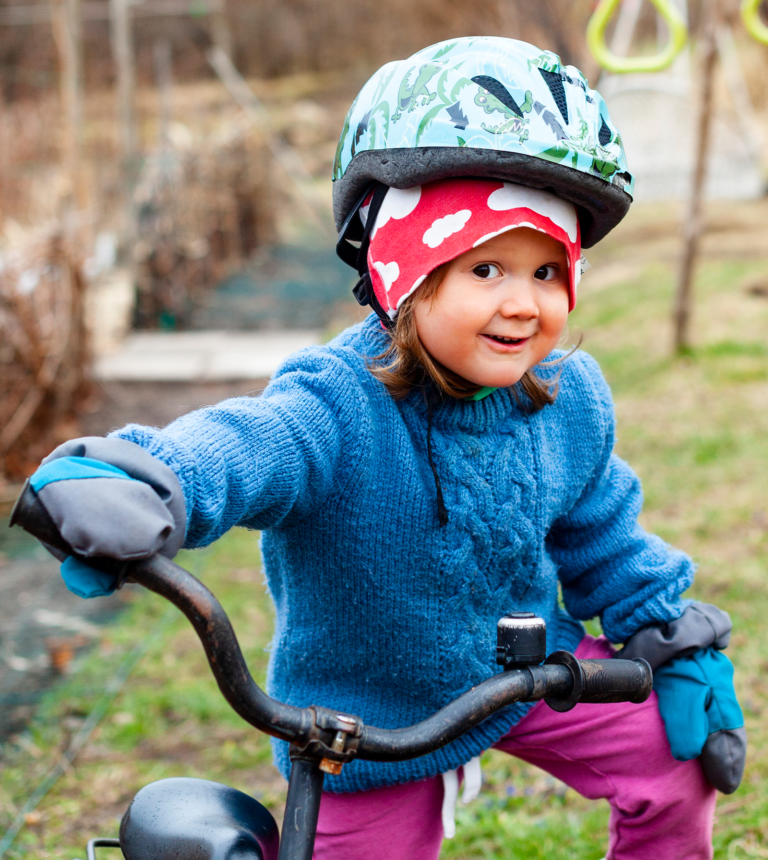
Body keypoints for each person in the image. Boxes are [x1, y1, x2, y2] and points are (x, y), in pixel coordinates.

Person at [26, 37, 745, 859]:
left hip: (528, 678)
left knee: (670, 757)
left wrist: (664, 627)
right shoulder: (337, 403)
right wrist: (155, 478)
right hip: (365, 726)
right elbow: (251, 443)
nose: (523, 303)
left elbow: (601, 530)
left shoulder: (569, 399)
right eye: (485, 268)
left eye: (548, 272)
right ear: (405, 268)